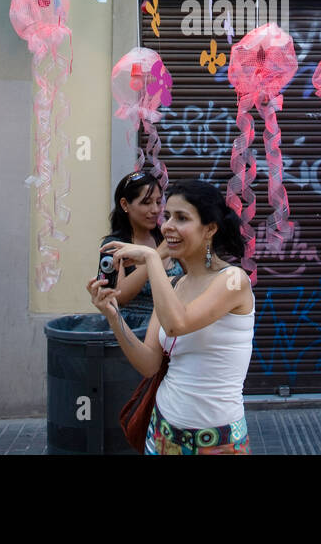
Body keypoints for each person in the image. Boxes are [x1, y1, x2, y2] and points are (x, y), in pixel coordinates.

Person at [88, 179, 254, 454]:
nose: (167, 226)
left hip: (217, 441)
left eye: (182, 218)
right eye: (167, 216)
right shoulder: (174, 286)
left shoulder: (234, 280)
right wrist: (112, 313)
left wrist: (152, 258)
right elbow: (149, 364)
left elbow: (178, 324)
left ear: (210, 229)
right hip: (162, 433)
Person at [99, 171, 182, 330]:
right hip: (134, 331)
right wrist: (156, 255)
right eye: (146, 202)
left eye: (158, 202)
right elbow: (118, 297)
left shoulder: (165, 236)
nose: (155, 209)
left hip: (171, 324)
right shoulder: (114, 245)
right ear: (125, 205)